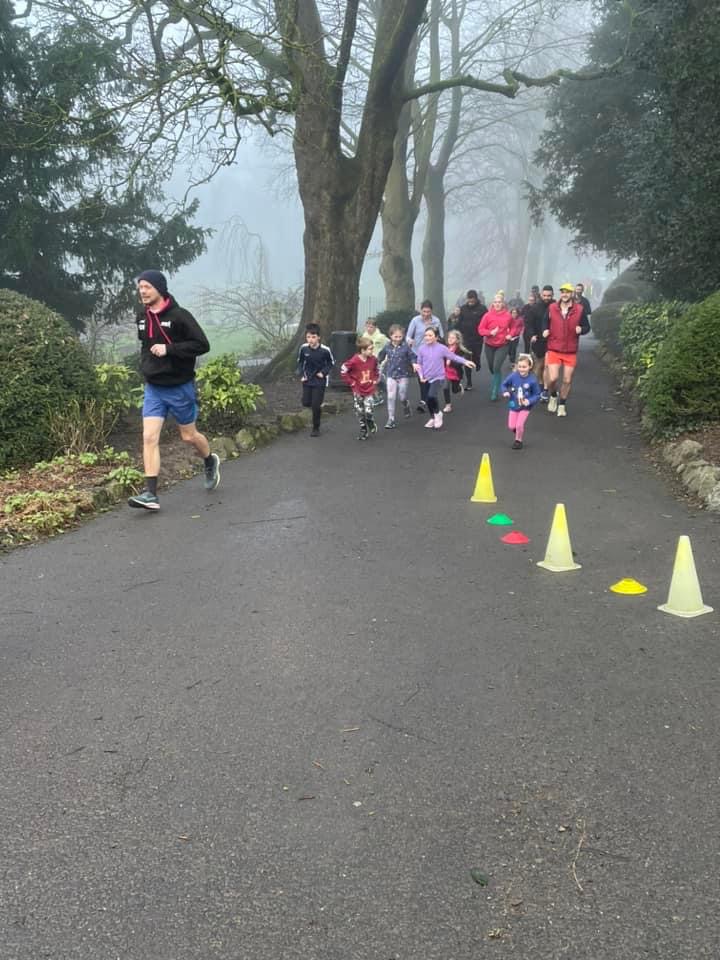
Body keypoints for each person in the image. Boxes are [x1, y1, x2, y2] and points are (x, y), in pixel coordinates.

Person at [128, 270, 219, 511]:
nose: (142, 292)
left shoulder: (180, 316)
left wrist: (170, 349)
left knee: (188, 436)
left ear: (160, 288)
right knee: (148, 437)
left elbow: (202, 345)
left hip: (179, 387)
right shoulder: (142, 317)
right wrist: (146, 368)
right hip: (154, 388)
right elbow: (146, 346)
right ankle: (150, 494)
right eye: (140, 288)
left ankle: (209, 460)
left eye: (147, 287)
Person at [542, 282, 590, 416]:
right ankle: (552, 395)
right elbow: (544, 321)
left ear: (572, 294)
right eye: (563, 292)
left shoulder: (579, 309)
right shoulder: (552, 308)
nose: (565, 294)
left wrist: (582, 330)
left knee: (567, 380)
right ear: (560, 294)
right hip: (554, 348)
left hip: (570, 350)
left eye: (567, 292)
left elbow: (587, 327)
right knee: (553, 378)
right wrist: (544, 330)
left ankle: (562, 405)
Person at [413, 327, 475, 429]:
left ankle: (438, 414)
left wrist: (465, 362)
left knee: (432, 396)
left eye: (430, 335)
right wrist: (421, 376)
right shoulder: (421, 349)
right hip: (426, 378)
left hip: (438, 377)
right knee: (428, 400)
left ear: (436, 337)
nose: (427, 337)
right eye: (426, 335)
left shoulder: (442, 348)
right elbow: (419, 364)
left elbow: (454, 357)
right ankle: (432, 418)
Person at [477, 291, 523, 401]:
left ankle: (494, 391)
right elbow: (480, 329)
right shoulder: (487, 316)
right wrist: (489, 333)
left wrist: (510, 335)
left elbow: (513, 327)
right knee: (492, 368)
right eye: (495, 302)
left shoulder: (508, 316)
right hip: (489, 345)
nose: (497, 304)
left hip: (503, 345)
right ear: (492, 303)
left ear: (503, 304)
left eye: (499, 302)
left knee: (496, 367)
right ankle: (497, 378)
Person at [297, 323, 334, 437]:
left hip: (319, 381)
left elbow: (331, 363)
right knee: (306, 402)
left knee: (315, 405)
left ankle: (315, 427)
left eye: (313, 337)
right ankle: (311, 403)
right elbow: (300, 362)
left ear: (318, 337)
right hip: (307, 380)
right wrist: (302, 375)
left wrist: (323, 373)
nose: (310, 340)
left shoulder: (325, 350)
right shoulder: (303, 348)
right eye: (308, 337)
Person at [406, 300, 444, 411]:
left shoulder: (436, 321)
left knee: (429, 377)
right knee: (421, 378)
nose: (426, 314)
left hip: (431, 354)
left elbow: (441, 336)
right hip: (417, 353)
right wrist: (410, 341)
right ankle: (424, 400)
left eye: (428, 311)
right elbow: (408, 336)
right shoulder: (415, 320)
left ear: (431, 311)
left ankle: (427, 398)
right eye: (424, 311)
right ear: (420, 310)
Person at [340, 335, 380, 440]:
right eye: (370, 349)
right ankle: (363, 429)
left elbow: (377, 370)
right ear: (362, 350)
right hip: (358, 390)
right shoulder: (354, 361)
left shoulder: (373, 359)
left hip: (369, 389)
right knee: (359, 411)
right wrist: (351, 383)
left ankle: (370, 421)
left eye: (372, 348)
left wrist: (375, 379)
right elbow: (343, 370)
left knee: (368, 410)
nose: (372, 351)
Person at [377, 325, 415, 428]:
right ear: (390, 336)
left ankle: (405, 404)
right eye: (395, 337)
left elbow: (412, 356)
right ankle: (391, 419)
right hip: (391, 374)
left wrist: (414, 363)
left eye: (400, 337)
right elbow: (380, 356)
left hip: (403, 375)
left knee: (402, 396)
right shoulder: (387, 346)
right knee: (390, 397)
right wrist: (376, 364)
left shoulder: (405, 346)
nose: (398, 339)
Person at [501, 353, 541, 449]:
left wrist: (529, 401)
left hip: (525, 406)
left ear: (530, 367)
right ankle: (518, 431)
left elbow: (537, 394)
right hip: (513, 404)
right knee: (511, 426)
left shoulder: (533, 380)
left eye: (524, 367)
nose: (521, 369)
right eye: (519, 367)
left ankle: (518, 440)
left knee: (519, 425)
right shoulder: (514, 376)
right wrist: (505, 392)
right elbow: (504, 384)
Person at [525, 284, 554, 399]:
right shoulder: (535, 308)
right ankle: (540, 385)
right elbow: (528, 323)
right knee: (539, 366)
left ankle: (545, 390)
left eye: (549, 296)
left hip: (552, 341)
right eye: (545, 295)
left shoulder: (555, 307)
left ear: (552, 295)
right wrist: (531, 335)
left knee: (547, 366)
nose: (546, 297)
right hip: (538, 340)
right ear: (541, 295)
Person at [451, 289, 485, 388]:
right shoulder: (463, 309)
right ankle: (469, 382)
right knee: (467, 359)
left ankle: (477, 362)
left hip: (478, 338)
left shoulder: (482, 309)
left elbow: (486, 322)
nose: (470, 303)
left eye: (472, 301)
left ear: (476, 299)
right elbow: (459, 322)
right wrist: (453, 330)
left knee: (476, 356)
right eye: (469, 301)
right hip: (466, 338)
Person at [442, 330, 471, 412]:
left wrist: (451, 362)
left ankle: (459, 387)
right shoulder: (444, 348)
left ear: (457, 340)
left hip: (455, 373)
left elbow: (461, 362)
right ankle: (448, 405)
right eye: (449, 337)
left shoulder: (459, 350)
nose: (450, 339)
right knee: (445, 387)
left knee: (455, 390)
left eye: (453, 338)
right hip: (445, 372)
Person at [363, 317, 388, 406]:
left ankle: (379, 393)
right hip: (367, 361)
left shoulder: (380, 337)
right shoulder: (364, 336)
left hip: (378, 361)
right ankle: (377, 396)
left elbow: (388, 345)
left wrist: (385, 358)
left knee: (375, 379)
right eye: (368, 327)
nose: (369, 329)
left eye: (371, 327)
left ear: (375, 327)